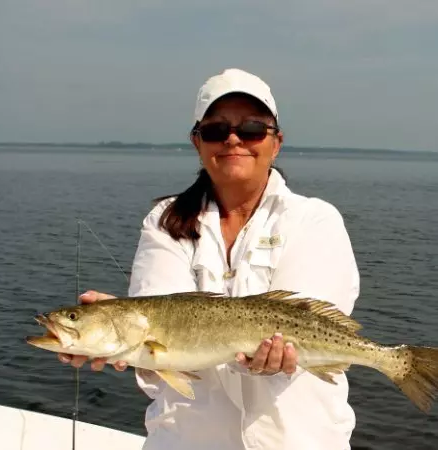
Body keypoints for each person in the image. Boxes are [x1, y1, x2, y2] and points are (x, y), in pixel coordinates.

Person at [59, 68, 360, 449]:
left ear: (276, 142)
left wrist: (122, 327)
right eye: (216, 130)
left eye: (251, 129)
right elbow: (166, 325)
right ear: (197, 142)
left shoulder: (315, 219)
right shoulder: (165, 219)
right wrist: (113, 336)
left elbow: (306, 317)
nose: (233, 140)